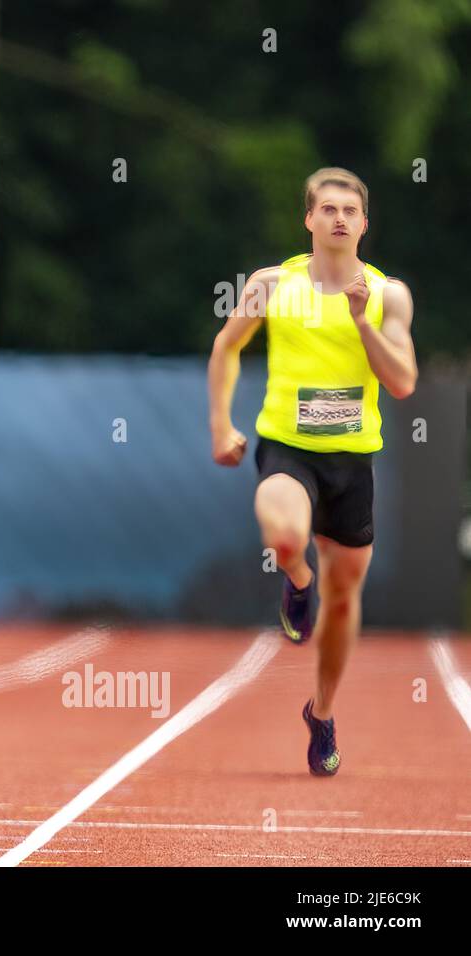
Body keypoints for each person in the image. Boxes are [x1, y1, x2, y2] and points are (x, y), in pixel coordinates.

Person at [208, 167, 416, 775]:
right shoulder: (274, 284)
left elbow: (402, 382)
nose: (340, 219)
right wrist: (221, 426)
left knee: (346, 601)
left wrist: (360, 321)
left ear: (365, 224)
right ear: (309, 219)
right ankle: (297, 582)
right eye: (327, 208)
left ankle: (321, 714)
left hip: (353, 464)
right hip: (287, 448)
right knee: (284, 534)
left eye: (350, 210)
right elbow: (226, 346)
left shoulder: (388, 296)